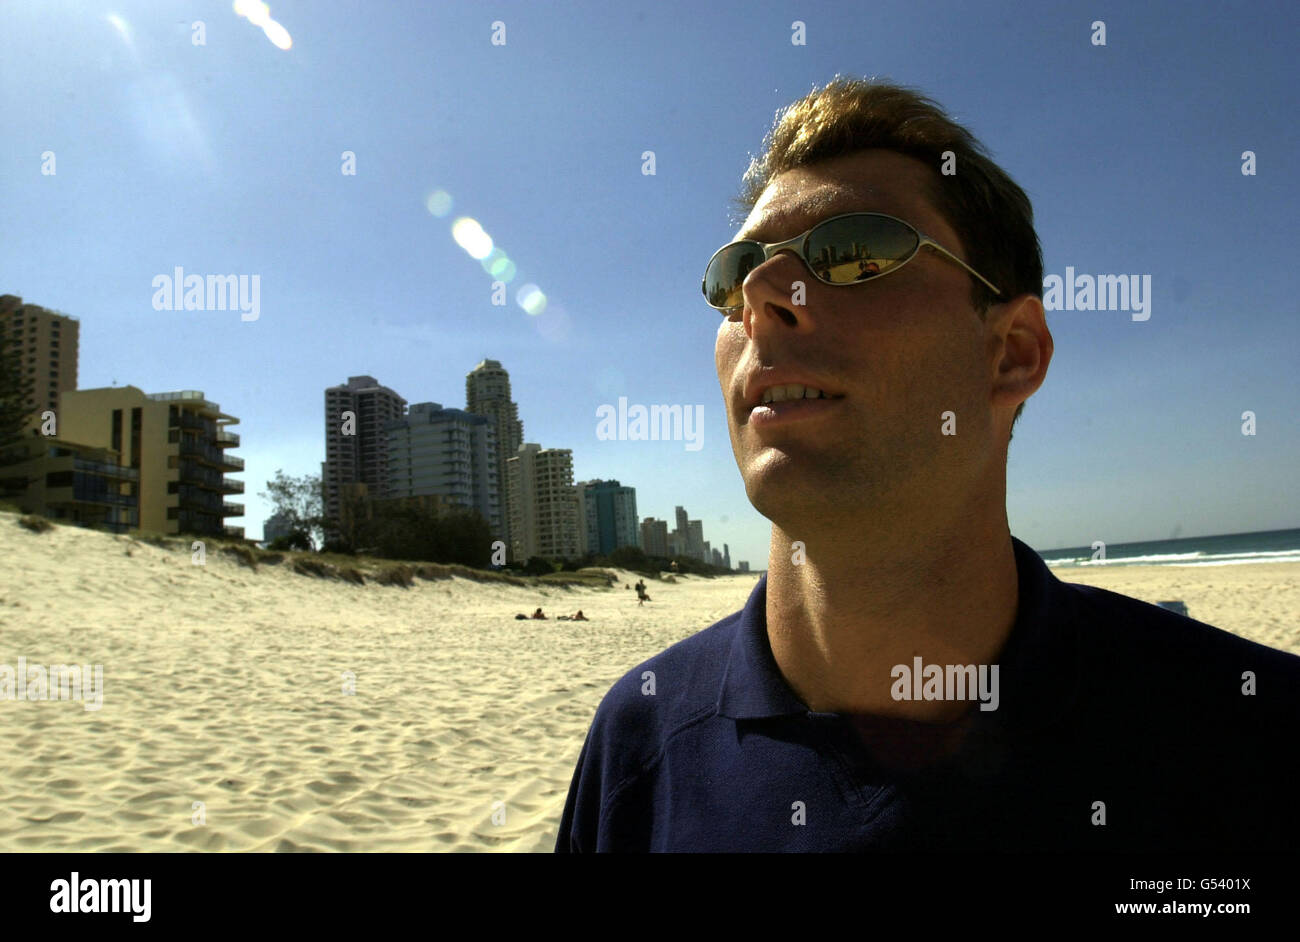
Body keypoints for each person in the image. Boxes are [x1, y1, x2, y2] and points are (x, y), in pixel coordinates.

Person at [556, 77, 1300, 853]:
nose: (762, 293)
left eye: (852, 252)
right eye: (735, 272)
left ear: (1011, 353)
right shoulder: (639, 745)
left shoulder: (1256, 737)